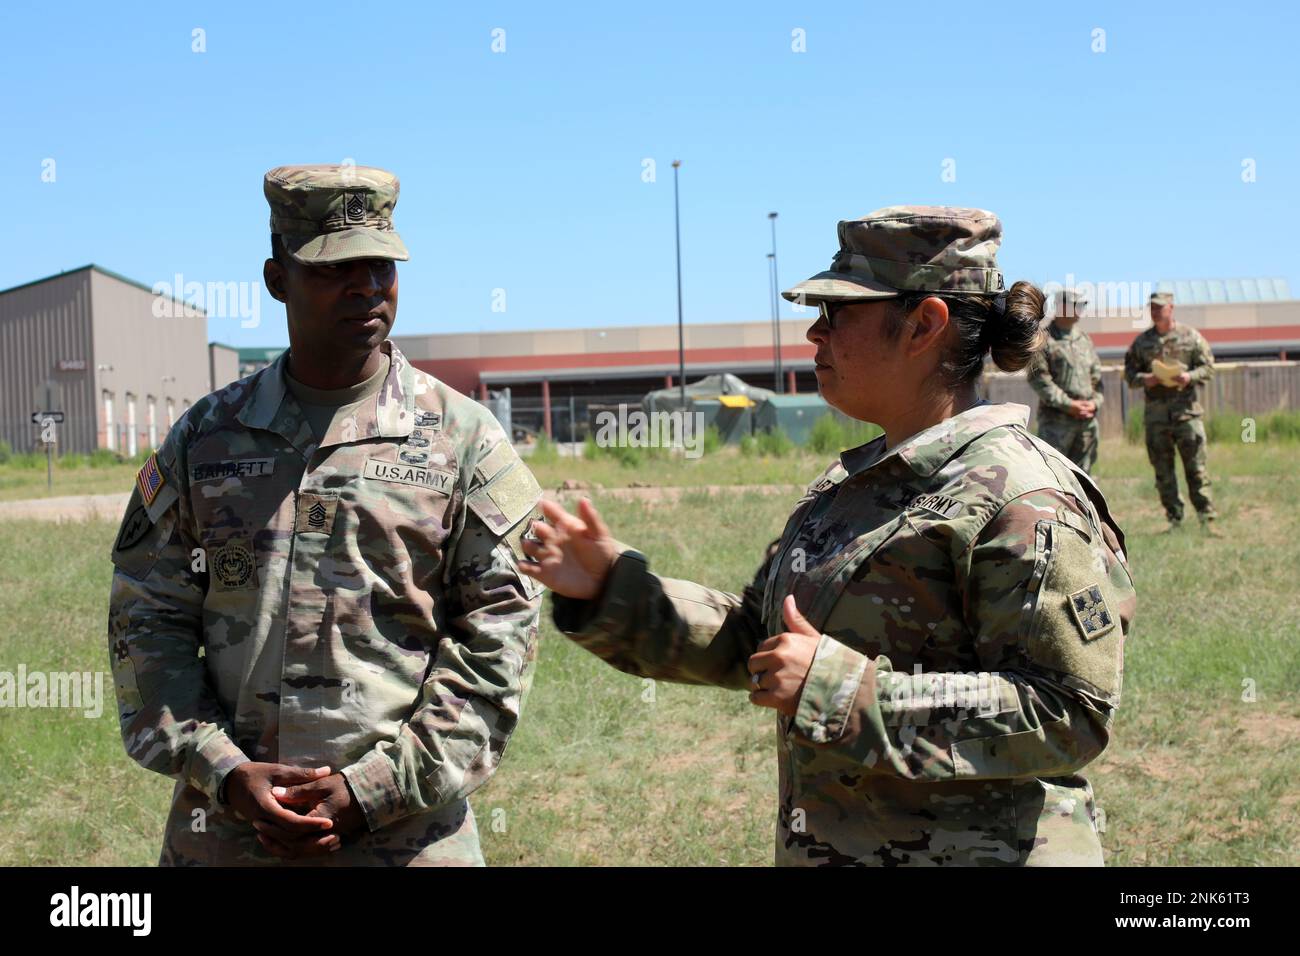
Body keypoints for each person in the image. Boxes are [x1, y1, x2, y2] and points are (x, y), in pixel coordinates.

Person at [522, 206, 1136, 866]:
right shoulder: (854, 483)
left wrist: (846, 692)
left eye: (838, 311)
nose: (815, 331)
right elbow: (760, 643)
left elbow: (1068, 713)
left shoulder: (1023, 496)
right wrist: (615, 589)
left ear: (924, 324)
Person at [107, 164, 544, 866]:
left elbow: (500, 636)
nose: (366, 286)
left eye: (381, 266)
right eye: (335, 269)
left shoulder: (463, 438)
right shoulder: (206, 439)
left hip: (407, 837)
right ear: (276, 279)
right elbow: (147, 617)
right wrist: (224, 770)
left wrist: (373, 791)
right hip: (230, 835)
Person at [1124, 290, 1218, 533]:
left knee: (1196, 469)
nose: (1155, 312)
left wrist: (1189, 376)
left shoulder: (1191, 337)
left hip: (1187, 415)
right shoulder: (1142, 342)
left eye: (1160, 307)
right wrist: (1146, 379)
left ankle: (1207, 520)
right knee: (1163, 472)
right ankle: (1175, 520)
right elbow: (1130, 375)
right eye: (1152, 307)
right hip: (1157, 418)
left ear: (1171, 308)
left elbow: (1208, 367)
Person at [1027, 287, 1104, 472]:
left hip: (1086, 423)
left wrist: (1094, 403)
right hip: (1056, 425)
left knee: (1084, 477)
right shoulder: (1043, 339)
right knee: (1054, 475)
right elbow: (1039, 379)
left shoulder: (1084, 339)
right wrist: (1069, 405)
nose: (1080, 310)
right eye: (1076, 305)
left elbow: (1096, 378)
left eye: (1082, 305)